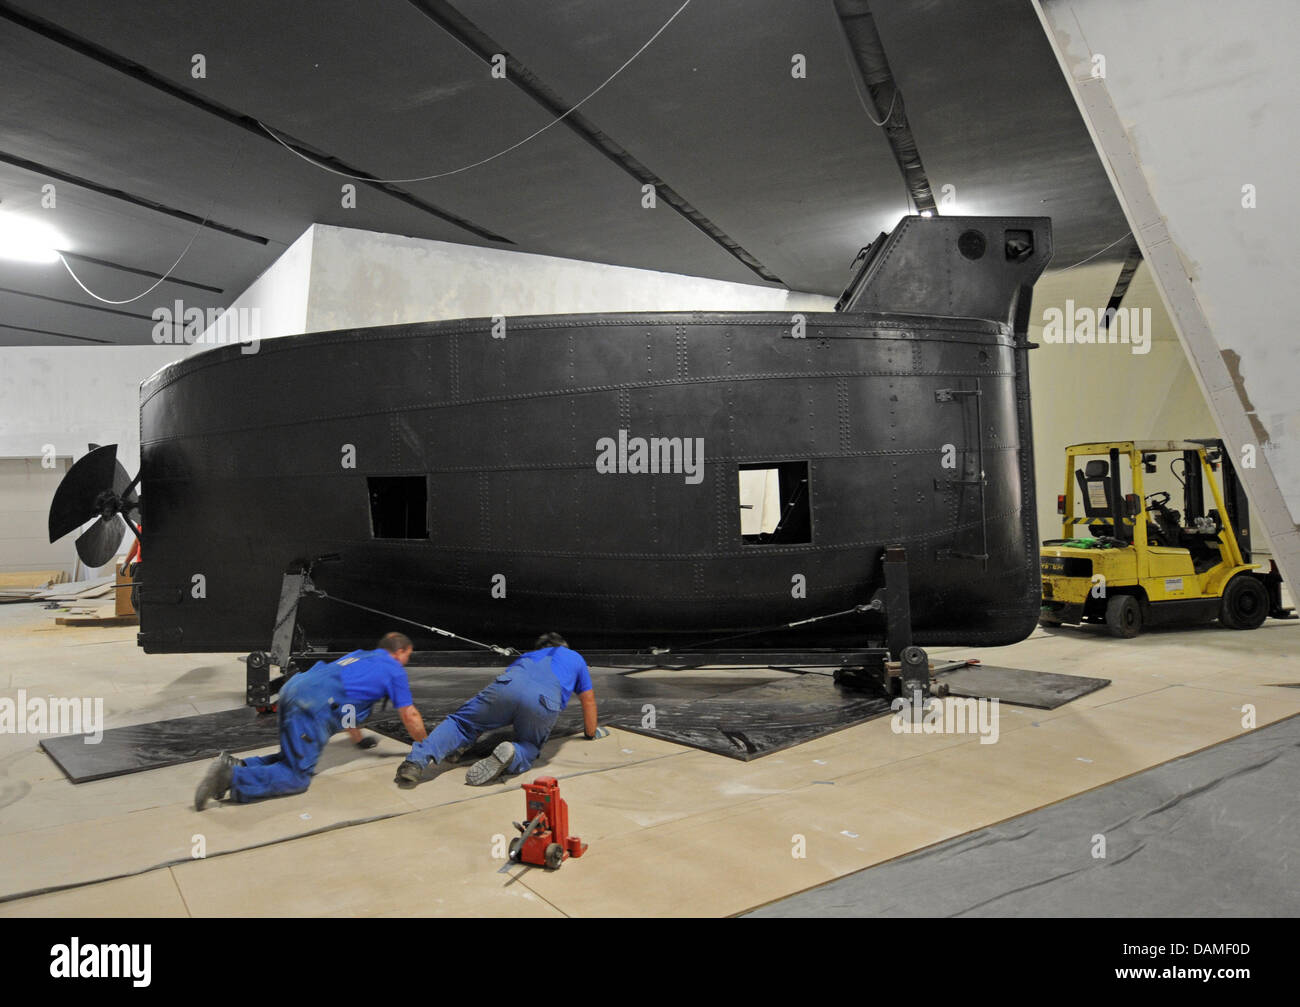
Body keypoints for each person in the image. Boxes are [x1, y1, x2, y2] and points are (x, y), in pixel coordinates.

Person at [195, 632, 428, 809]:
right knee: (296, 777)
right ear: (400, 652)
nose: (408, 659)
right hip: (313, 705)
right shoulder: (394, 669)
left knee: (290, 756)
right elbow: (410, 715)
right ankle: (231, 778)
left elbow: (348, 701)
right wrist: (428, 746)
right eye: (408, 654)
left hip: (294, 689)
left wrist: (358, 740)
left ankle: (235, 765)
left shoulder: (360, 657)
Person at [393, 632, 606, 789]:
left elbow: (514, 690)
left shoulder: (529, 656)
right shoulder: (575, 658)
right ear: (564, 645)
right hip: (545, 700)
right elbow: (588, 701)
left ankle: (415, 762)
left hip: (507, 686)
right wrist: (590, 732)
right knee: (529, 744)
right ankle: (514, 754)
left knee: (461, 723)